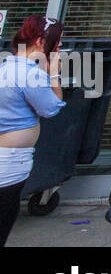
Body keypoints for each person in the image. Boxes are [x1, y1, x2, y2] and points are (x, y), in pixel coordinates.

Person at [0, 16, 64, 247]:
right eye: (57, 43)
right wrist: (54, 73)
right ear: (40, 41)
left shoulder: (5, 66)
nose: (59, 48)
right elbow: (51, 108)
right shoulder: (30, 74)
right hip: (10, 163)